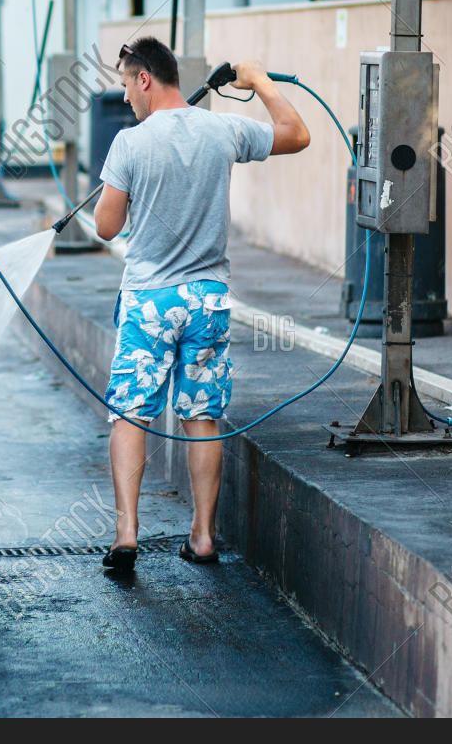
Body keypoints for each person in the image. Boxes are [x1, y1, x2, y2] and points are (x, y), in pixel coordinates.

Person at [92, 37, 311, 571]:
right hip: (206, 298)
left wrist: (122, 185)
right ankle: (204, 537)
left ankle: (126, 536)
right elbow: (296, 135)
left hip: (149, 300)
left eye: (124, 84)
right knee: (202, 418)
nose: (124, 98)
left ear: (145, 78)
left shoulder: (130, 144)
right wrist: (259, 81)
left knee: (131, 415)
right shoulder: (223, 129)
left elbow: (105, 226)